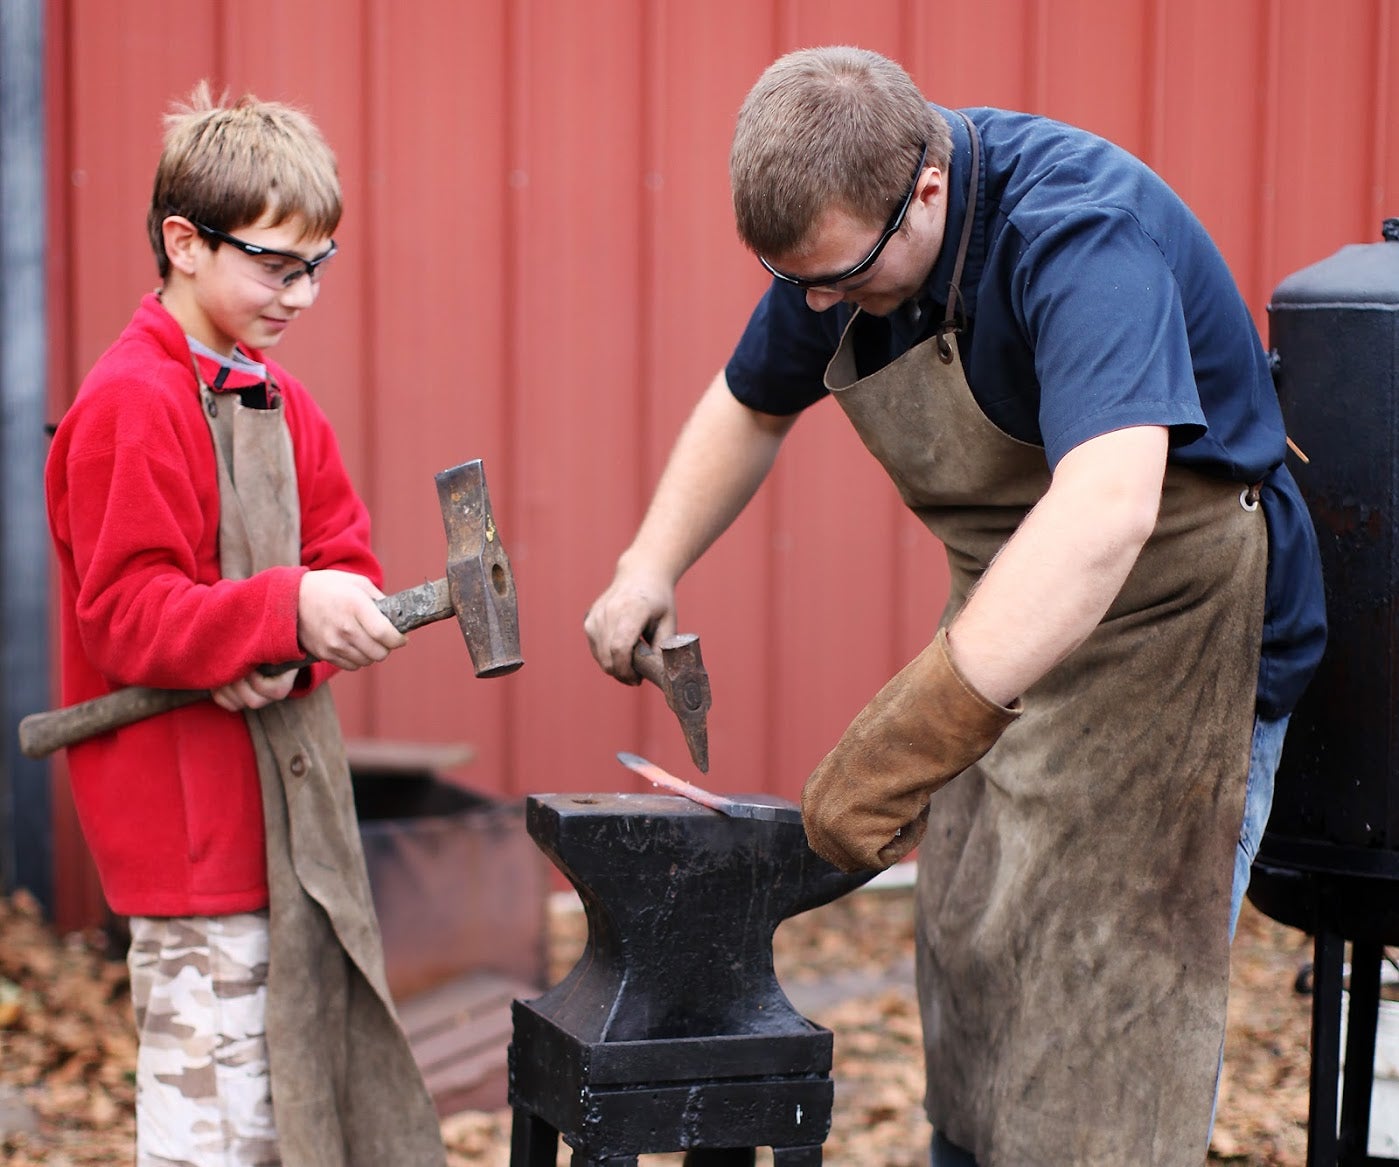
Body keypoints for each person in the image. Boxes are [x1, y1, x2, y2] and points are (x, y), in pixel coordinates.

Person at [584, 46, 1326, 1167]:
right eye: (800, 283)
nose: (821, 305)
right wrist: (648, 563)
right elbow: (750, 404)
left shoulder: (1079, 233)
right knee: (980, 967)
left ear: (925, 188)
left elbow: (1105, 514)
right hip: (1010, 631)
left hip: (1175, 639)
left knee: (1105, 1005)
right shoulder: (843, 244)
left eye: (839, 277)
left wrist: (907, 739)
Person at [45, 84, 444, 1166]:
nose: (303, 294)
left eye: (318, 264)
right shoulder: (132, 403)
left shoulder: (276, 401)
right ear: (183, 241)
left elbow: (344, 566)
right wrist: (278, 611)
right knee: (212, 1125)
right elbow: (127, 613)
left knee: (292, 1112)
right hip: (192, 838)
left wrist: (296, 649)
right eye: (276, 264)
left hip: (293, 829)